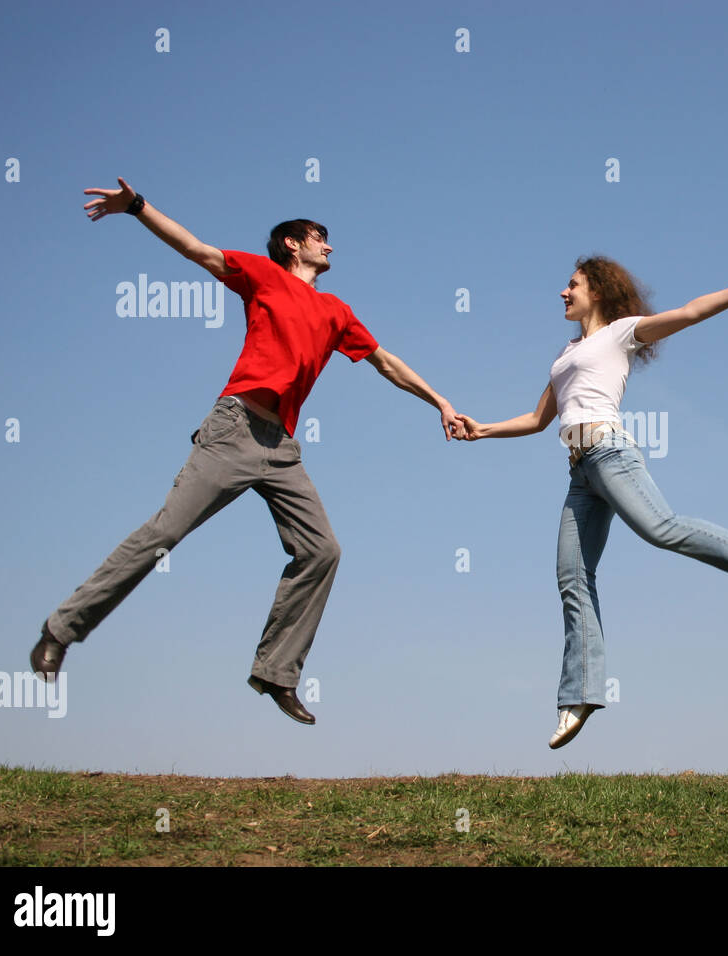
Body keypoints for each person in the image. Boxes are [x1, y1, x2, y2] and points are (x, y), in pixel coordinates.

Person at [29, 177, 462, 724]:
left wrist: (439, 401)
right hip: (234, 430)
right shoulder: (263, 278)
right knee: (164, 533)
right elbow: (196, 248)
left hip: (281, 448)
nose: (328, 245)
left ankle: (276, 672)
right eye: (317, 236)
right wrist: (136, 206)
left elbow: (386, 362)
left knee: (322, 551)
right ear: (292, 245)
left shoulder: (336, 311)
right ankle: (59, 631)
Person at [454, 256, 728, 749]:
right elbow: (540, 418)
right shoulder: (565, 354)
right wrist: (483, 429)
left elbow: (690, 313)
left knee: (662, 529)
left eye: (572, 285)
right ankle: (580, 693)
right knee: (571, 575)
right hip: (580, 471)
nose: (563, 293)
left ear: (598, 291)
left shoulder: (622, 332)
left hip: (610, 453)